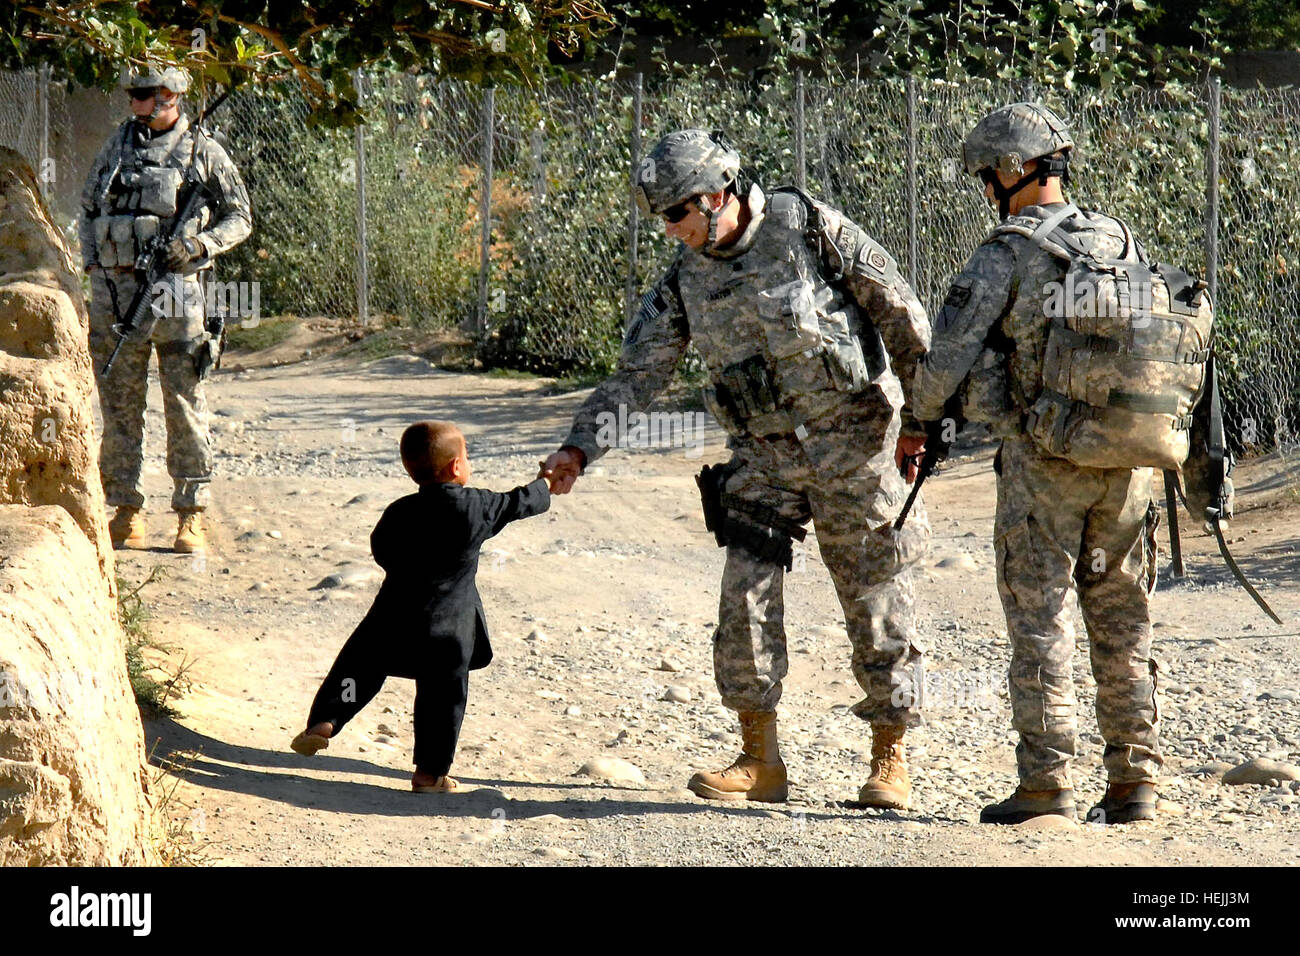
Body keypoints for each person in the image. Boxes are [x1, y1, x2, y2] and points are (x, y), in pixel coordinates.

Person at [543, 129, 932, 809]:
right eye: (662, 219)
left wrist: (927, 416)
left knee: (875, 602)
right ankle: (760, 760)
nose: (669, 232)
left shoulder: (806, 227)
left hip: (859, 445)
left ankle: (889, 759)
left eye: (674, 215)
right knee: (743, 599)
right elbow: (639, 374)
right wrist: (580, 448)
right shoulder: (686, 279)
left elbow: (898, 310)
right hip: (765, 457)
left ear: (715, 195)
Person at [912, 102, 1176, 825]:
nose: (985, 193)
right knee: (1124, 625)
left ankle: (1046, 783)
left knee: (1041, 623)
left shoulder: (1008, 251)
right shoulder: (1120, 239)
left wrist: (917, 421)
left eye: (986, 180)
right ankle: (1134, 784)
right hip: (1129, 464)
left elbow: (949, 356)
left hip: (1043, 464)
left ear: (1011, 172)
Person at [291, 421, 552, 793]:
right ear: (456, 467)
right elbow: (521, 502)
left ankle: (325, 721)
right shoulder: (477, 506)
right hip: (449, 629)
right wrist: (546, 481)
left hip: (392, 616)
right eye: (467, 455)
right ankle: (429, 774)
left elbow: (381, 550)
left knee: (358, 668)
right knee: (442, 698)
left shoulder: (398, 511)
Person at [79, 65, 252, 553]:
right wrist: (93, 266)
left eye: (146, 94)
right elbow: (90, 211)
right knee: (118, 403)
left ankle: (191, 512)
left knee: (184, 403)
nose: (136, 102)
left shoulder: (203, 151)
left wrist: (199, 245)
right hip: (116, 295)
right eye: (133, 94)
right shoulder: (117, 147)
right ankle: (125, 508)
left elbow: (240, 217)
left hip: (177, 294)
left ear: (171, 97)